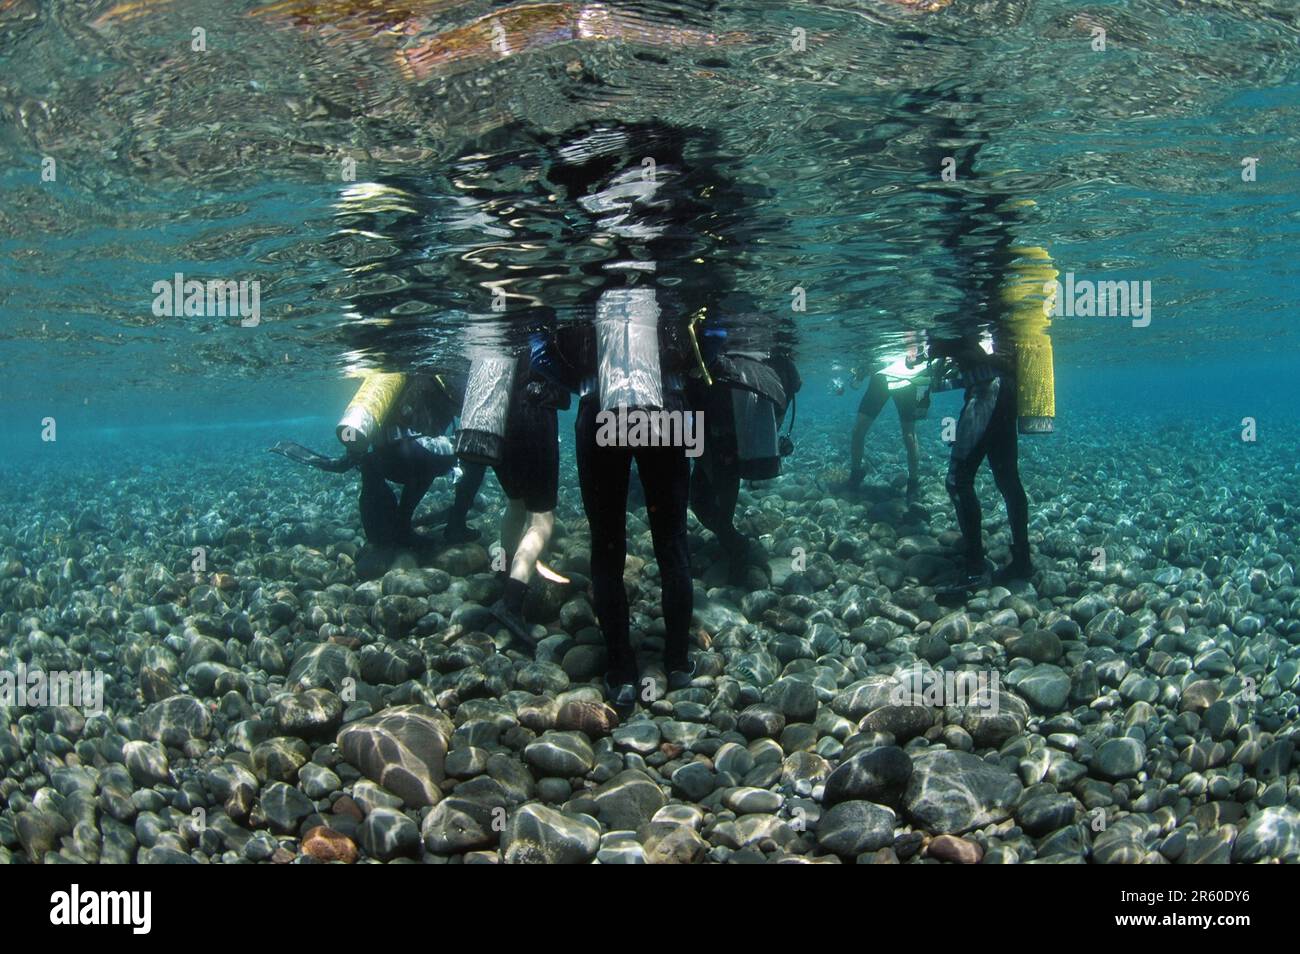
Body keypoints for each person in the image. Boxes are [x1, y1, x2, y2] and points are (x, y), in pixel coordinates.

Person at [269, 372, 460, 570]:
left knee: (370, 462)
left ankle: (382, 534)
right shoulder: (434, 378)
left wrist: (350, 458)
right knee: (461, 451)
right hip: (414, 459)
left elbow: (356, 435)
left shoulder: (384, 387)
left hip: (382, 461)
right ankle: (410, 524)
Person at [455, 338, 565, 646]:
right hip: (535, 416)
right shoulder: (541, 332)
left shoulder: (498, 339)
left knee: (515, 503)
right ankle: (512, 602)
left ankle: (504, 573)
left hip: (497, 423)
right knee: (541, 518)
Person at [929, 330, 1031, 595]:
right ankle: (1022, 560)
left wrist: (941, 344)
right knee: (1008, 478)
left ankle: (974, 568)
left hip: (988, 392)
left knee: (957, 480)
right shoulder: (996, 327)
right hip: (1003, 391)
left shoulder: (962, 317)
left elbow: (967, 349)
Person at [840, 343, 929, 503]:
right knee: (859, 430)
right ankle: (856, 473)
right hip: (884, 379)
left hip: (907, 380)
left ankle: (914, 482)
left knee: (909, 434)